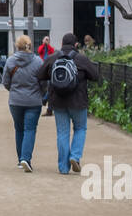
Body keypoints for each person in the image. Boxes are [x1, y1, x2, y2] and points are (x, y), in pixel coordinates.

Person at [38, 32, 100, 174]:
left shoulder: (53, 58)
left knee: (62, 132)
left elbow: (40, 75)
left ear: (61, 44)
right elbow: (95, 76)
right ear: (76, 44)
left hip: (58, 101)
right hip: (78, 101)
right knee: (80, 128)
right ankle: (75, 156)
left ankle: (63, 167)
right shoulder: (81, 59)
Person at [2, 33, 47, 172]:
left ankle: (20, 160)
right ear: (30, 46)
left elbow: (5, 82)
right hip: (33, 101)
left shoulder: (10, 61)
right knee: (30, 129)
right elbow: (44, 82)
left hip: (15, 101)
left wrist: (14, 91)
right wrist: (41, 93)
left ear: (17, 46)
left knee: (19, 129)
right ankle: (26, 159)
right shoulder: (38, 61)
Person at [37, 36, 56, 115]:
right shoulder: (41, 47)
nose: (46, 41)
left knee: (50, 86)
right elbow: (39, 51)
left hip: (49, 67)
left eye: (48, 39)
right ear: (42, 40)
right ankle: (44, 99)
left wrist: (47, 45)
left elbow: (52, 52)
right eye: (45, 39)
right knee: (42, 85)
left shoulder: (50, 48)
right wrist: (44, 44)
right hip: (42, 67)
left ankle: (45, 100)